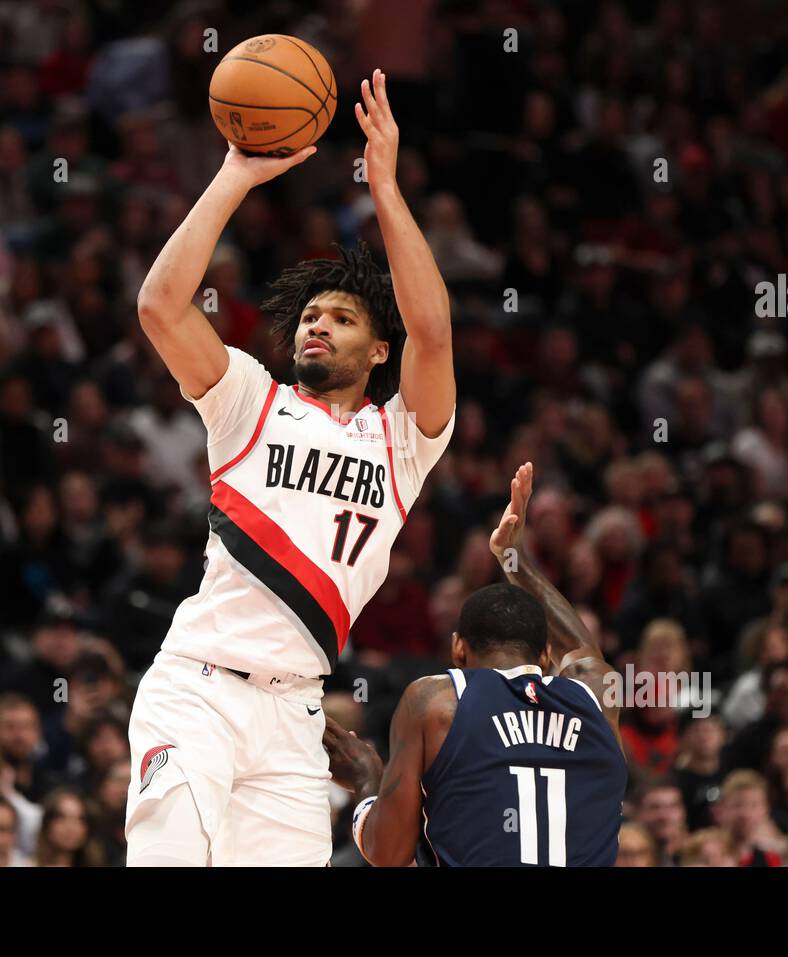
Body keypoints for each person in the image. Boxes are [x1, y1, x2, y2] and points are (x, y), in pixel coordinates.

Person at [126, 69, 455, 867]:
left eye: (341, 318)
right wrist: (235, 173)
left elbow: (434, 329)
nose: (317, 325)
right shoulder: (250, 399)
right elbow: (160, 308)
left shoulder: (403, 440)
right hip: (197, 687)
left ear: (379, 351)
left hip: (296, 713)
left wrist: (384, 186)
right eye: (310, 315)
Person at [323, 464, 626, 866]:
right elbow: (582, 651)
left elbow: (389, 854)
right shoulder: (597, 697)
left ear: (458, 650)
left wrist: (365, 782)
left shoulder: (436, 701)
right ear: (542, 656)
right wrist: (513, 557)